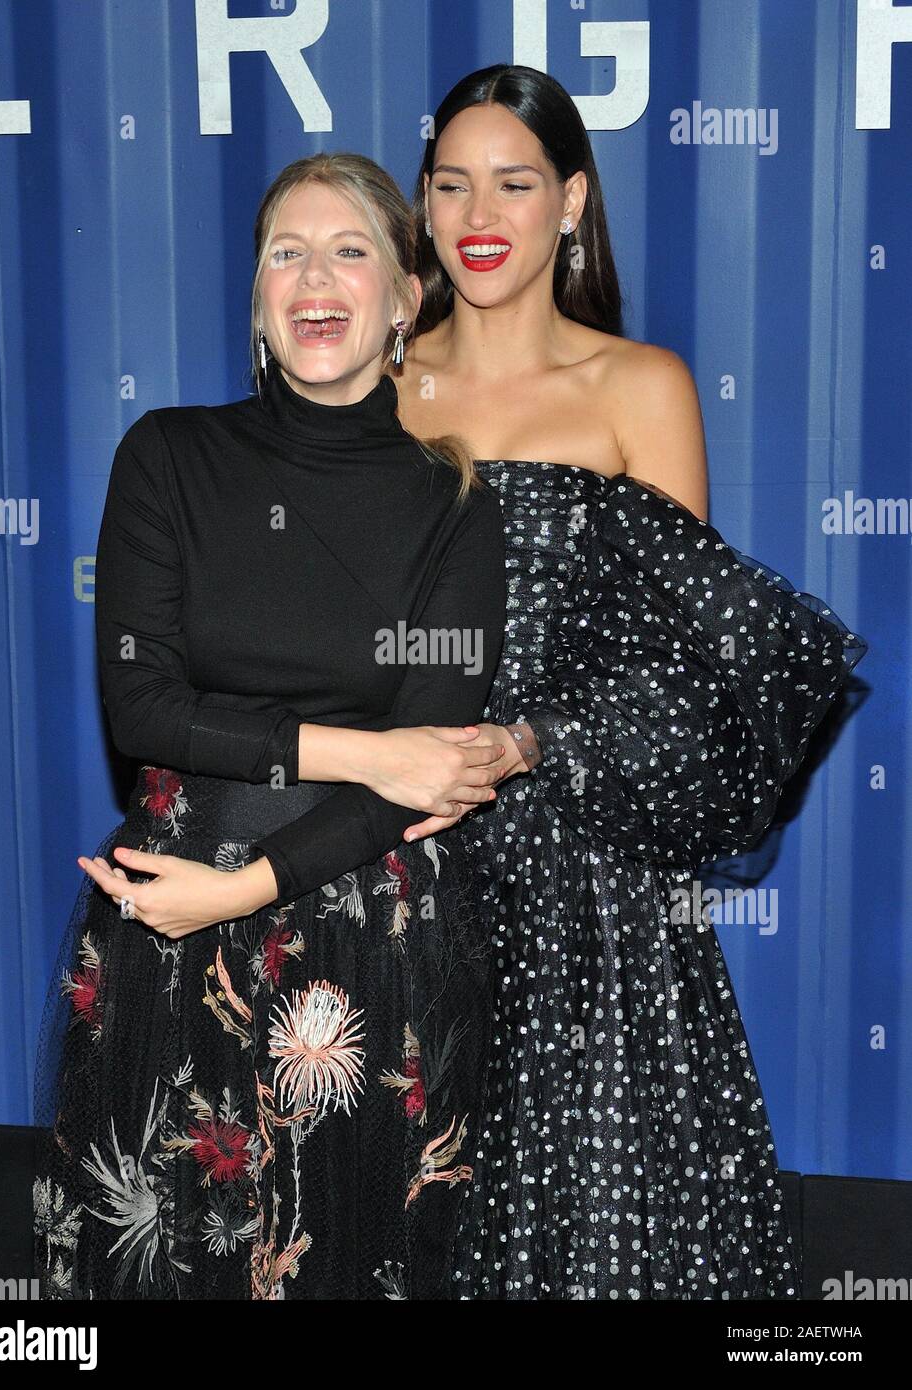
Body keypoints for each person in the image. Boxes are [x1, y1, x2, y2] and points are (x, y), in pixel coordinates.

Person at [388, 64, 869, 1300]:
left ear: (573, 202)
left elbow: (688, 681)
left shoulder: (637, 388)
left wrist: (530, 741)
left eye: (515, 181)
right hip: (390, 863)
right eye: (452, 184)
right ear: (424, 208)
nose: (480, 212)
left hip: (587, 896)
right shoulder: (380, 389)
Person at [32, 152, 508, 1301]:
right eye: (285, 253)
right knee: (156, 1261)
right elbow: (144, 708)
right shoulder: (169, 457)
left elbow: (429, 772)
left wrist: (243, 891)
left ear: (406, 297)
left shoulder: (453, 505)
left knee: (344, 1264)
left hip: (370, 942)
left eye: (351, 250)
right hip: (164, 924)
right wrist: (359, 748)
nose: (314, 276)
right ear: (256, 300)